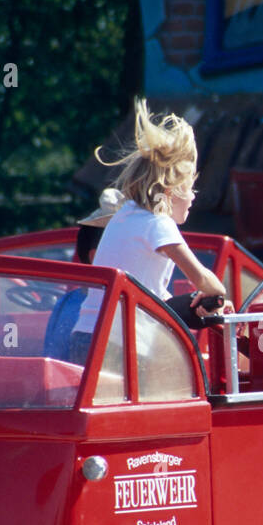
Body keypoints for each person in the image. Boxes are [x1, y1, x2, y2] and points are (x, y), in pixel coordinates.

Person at [72, 98, 228, 345]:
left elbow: (151, 295)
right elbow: (204, 279)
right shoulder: (159, 223)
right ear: (170, 191)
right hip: (119, 343)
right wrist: (217, 295)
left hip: (85, 335)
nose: (193, 198)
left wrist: (193, 301)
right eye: (190, 189)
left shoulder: (124, 215)